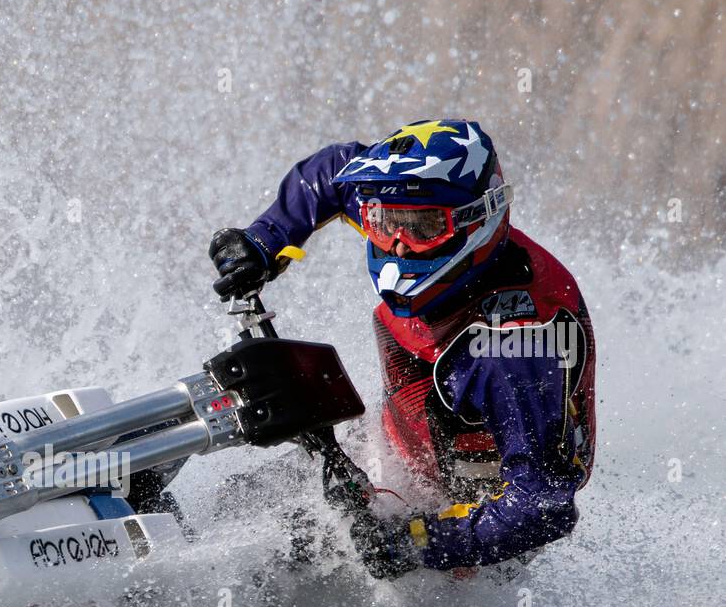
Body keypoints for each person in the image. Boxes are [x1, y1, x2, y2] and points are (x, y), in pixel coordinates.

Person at [210, 119, 596, 579]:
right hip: (396, 444)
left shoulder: (515, 352)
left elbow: (541, 507)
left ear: (480, 217)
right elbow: (331, 172)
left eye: (420, 228)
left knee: (308, 577)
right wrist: (265, 239)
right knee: (238, 505)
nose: (397, 243)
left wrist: (412, 540)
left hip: (475, 515)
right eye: (383, 222)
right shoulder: (405, 200)